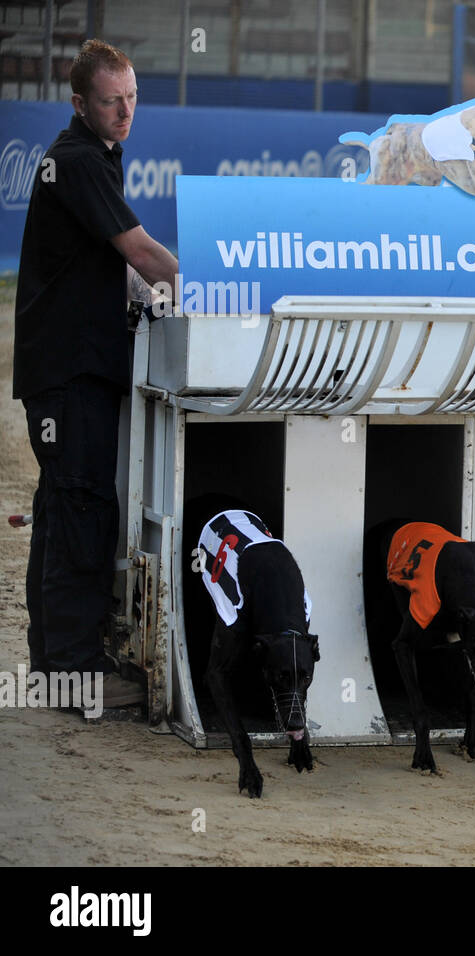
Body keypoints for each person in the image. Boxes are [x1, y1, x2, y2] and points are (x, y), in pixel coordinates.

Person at [13, 39, 178, 709]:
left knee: (60, 512)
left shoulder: (94, 155)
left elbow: (117, 267)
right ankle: (75, 675)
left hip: (67, 368)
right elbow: (139, 251)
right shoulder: (78, 160)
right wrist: (205, 284)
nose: (125, 111)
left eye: (132, 97)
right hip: (69, 373)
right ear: (80, 103)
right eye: (111, 101)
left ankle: (56, 671)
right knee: (81, 514)